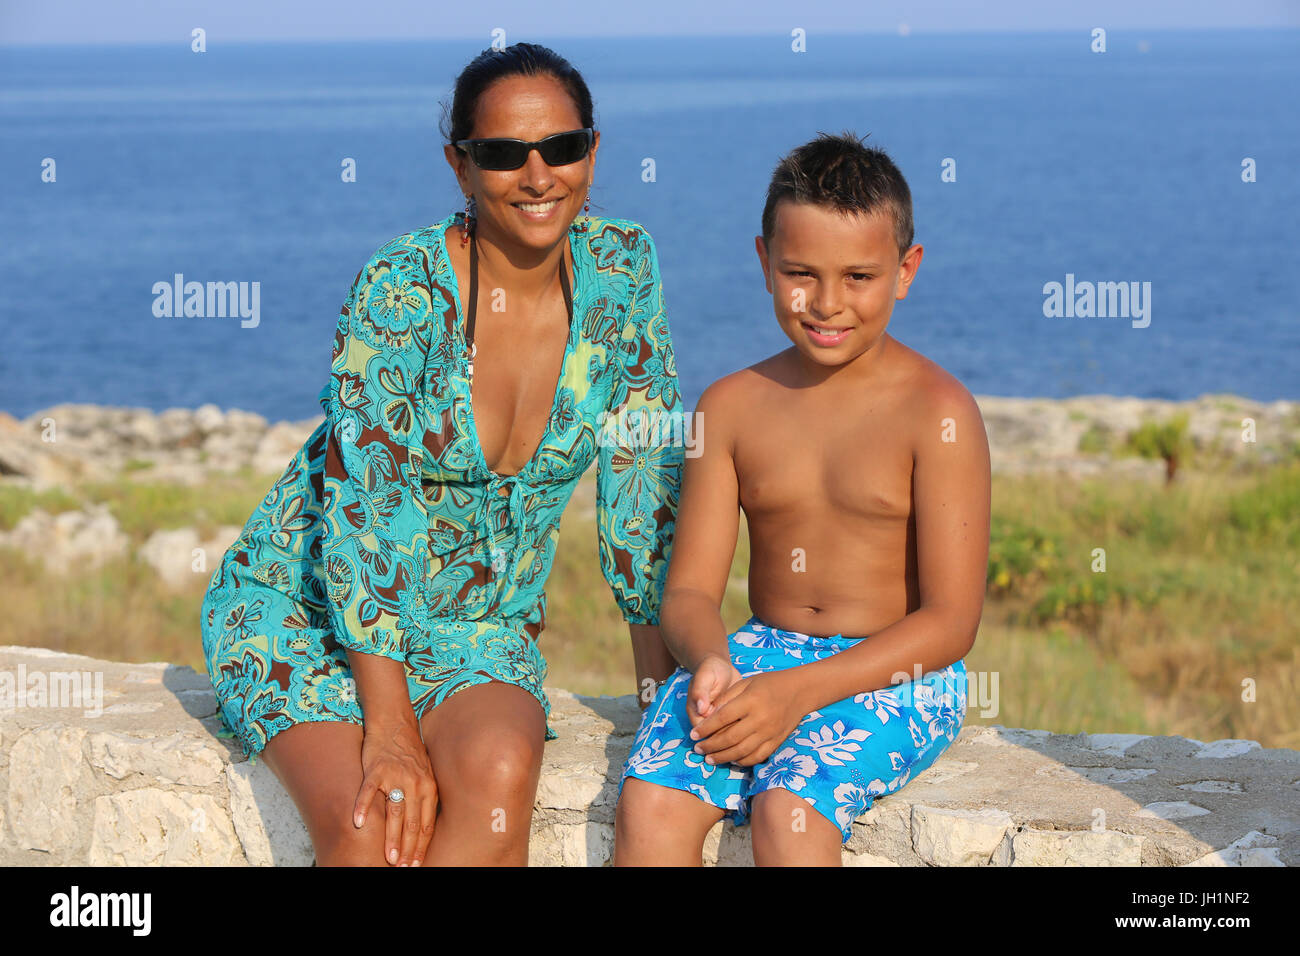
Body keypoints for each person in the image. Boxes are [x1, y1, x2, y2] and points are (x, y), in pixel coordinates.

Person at [200, 42, 684, 867]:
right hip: (310, 607)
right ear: (460, 166)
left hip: (478, 626)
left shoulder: (623, 269)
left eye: (562, 148)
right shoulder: (402, 291)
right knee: (371, 827)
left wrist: (658, 705)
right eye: (502, 154)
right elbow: (366, 511)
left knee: (500, 766)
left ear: (593, 152)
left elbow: (644, 491)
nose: (538, 176)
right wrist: (389, 734)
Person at [613, 132, 989, 866]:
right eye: (799, 273)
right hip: (757, 652)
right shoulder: (728, 407)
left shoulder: (938, 413)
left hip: (894, 669)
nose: (825, 303)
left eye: (858, 276)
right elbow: (688, 589)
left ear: (905, 271)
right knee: (650, 801)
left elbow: (951, 622)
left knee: (788, 811)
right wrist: (713, 661)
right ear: (764, 263)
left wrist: (799, 694)